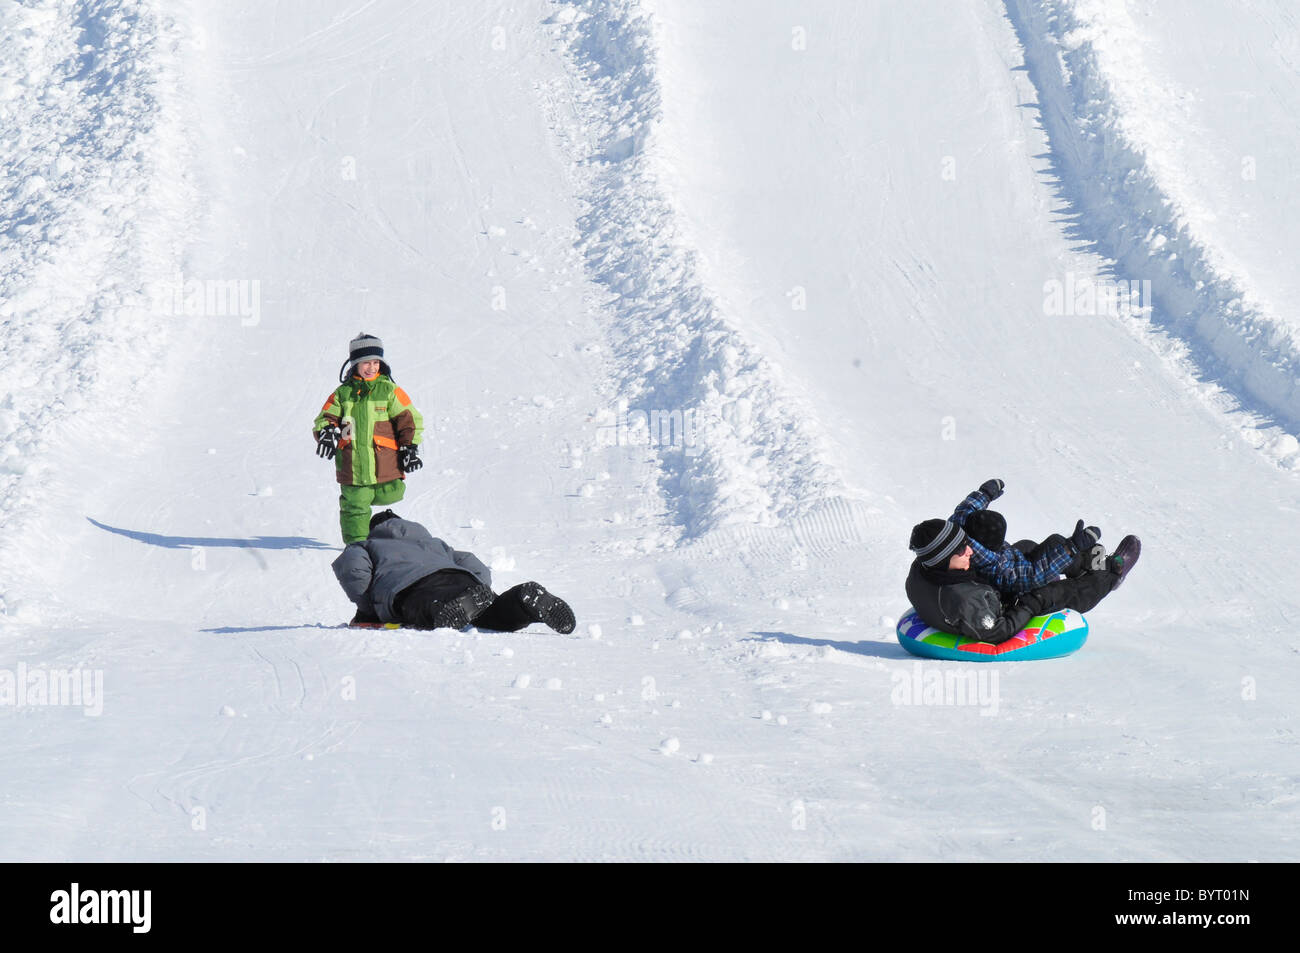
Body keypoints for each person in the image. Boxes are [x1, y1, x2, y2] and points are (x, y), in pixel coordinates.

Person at [905, 514, 1139, 645]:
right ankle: (1110, 576)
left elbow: (960, 519)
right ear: (944, 558)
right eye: (961, 550)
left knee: (1027, 548)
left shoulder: (925, 565)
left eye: (966, 544)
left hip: (986, 589)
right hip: (1008, 606)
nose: (970, 551)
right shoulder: (965, 601)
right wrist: (1030, 604)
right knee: (1062, 592)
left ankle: (1086, 561)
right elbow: (997, 631)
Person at [333, 510, 576, 634]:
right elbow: (472, 563)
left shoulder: (369, 544)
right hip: (460, 578)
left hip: (412, 588)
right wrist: (480, 588)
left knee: (433, 610)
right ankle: (521, 600)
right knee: (490, 617)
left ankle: (450, 605)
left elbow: (353, 569)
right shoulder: (432, 542)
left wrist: (371, 609)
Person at [313, 333, 425, 544]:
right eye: (366, 363)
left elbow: (409, 419)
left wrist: (409, 448)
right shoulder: (343, 393)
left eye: (376, 362)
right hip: (352, 465)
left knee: (393, 493)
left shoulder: (389, 390)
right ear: (354, 364)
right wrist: (327, 432)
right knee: (355, 505)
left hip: (385, 462)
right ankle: (357, 547)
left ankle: (379, 527)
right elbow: (325, 417)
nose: (372, 368)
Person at [948, 478, 1105, 593]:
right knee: (1055, 544)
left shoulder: (959, 531)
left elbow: (966, 509)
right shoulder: (998, 569)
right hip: (1016, 581)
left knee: (1028, 544)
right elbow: (1034, 575)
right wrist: (1072, 548)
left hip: (1012, 557)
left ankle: (1080, 557)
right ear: (993, 546)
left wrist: (985, 494)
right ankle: (1097, 570)